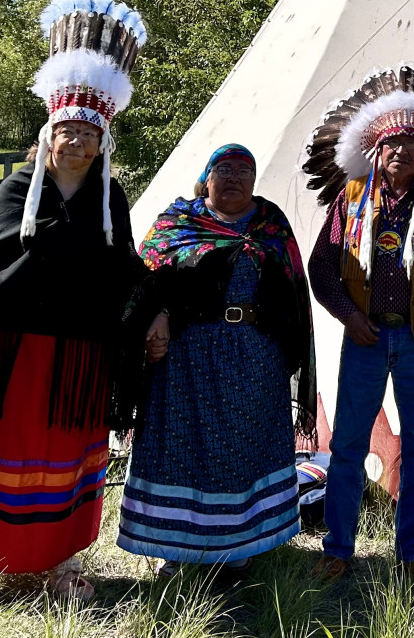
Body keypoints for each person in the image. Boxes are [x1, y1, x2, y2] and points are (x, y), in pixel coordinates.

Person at [0, 0, 149, 608]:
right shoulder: (20, 188)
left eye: (88, 134)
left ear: (103, 142)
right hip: (10, 350)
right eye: (67, 132)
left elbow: (125, 269)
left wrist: (157, 310)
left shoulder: (109, 200)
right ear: (48, 136)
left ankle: (60, 563)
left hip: (78, 356)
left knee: (66, 456)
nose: (77, 144)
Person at [303, 70, 414, 586]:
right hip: (365, 337)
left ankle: (413, 556)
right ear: (377, 150)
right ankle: (337, 550)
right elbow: (322, 267)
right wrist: (349, 315)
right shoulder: (351, 199)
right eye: (392, 143)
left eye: (410, 143)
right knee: (348, 446)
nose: (400, 150)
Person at [116, 143, 316, 577]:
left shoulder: (270, 224)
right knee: (182, 449)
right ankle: (176, 549)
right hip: (185, 360)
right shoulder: (178, 223)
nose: (233, 178)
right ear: (206, 178)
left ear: (254, 181)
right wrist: (159, 314)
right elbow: (145, 281)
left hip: (254, 357)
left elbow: (293, 291)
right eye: (223, 169)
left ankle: (238, 546)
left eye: (243, 171)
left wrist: (286, 348)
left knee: (242, 449)